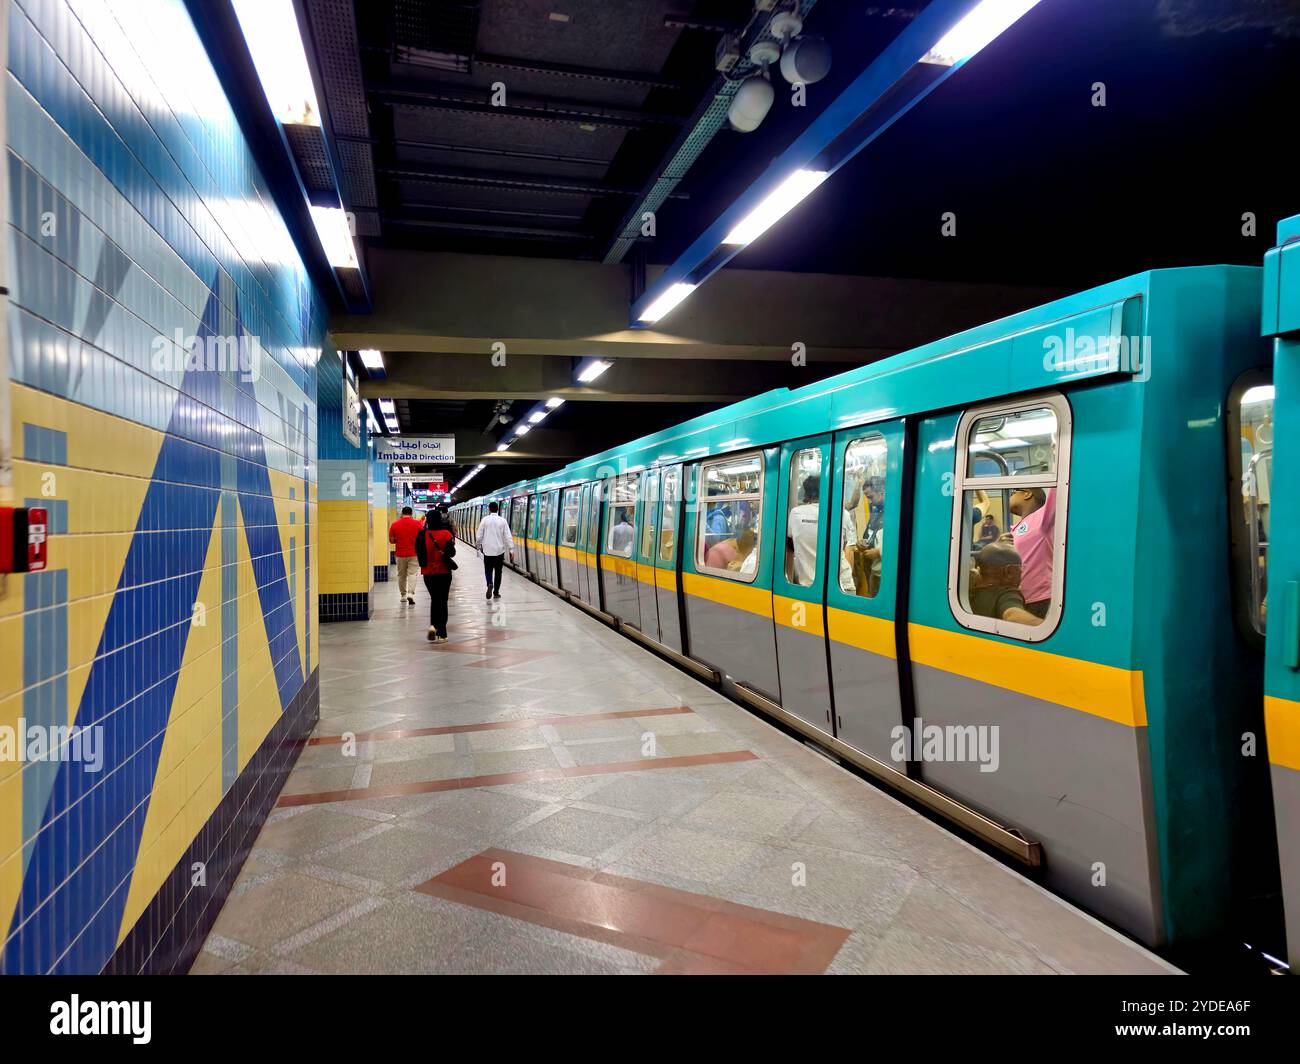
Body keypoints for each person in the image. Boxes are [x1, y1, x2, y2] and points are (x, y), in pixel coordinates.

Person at [968, 541, 1043, 626]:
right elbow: (1012, 614)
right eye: (1020, 568)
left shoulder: (966, 592)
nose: (1022, 571)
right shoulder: (1007, 594)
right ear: (1009, 571)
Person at [1007, 486, 1055, 618]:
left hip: (1038, 598)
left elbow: (1059, 487)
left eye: (1014, 492)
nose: (1010, 496)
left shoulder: (1043, 518)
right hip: (1017, 596)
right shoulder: (1015, 528)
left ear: (1027, 494)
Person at [415, 509, 456, 642]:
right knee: (442, 601)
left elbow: (419, 553)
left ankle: (433, 626)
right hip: (444, 573)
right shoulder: (446, 534)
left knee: (435, 599)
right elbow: (452, 553)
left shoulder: (422, 535)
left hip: (428, 574)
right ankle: (442, 632)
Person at [476, 500, 514, 600]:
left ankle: (489, 583)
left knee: (488, 570)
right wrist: (511, 549)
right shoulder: (503, 521)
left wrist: (478, 546)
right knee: (498, 572)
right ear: (498, 509)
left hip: (488, 551)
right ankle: (496, 592)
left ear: (489, 509)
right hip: (499, 551)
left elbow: (479, 536)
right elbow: (508, 536)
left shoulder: (484, 520)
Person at [786, 474, 820, 585]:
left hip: (809, 583)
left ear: (806, 493)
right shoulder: (842, 513)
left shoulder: (796, 513)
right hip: (843, 583)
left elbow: (790, 544)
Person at [388, 506, 422, 606]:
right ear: (411, 514)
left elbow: (392, 540)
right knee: (412, 574)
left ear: (402, 513)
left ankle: (403, 595)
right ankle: (411, 594)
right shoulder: (418, 524)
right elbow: (422, 539)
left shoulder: (395, 525)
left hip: (400, 554)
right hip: (414, 553)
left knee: (401, 575)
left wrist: (399, 540)